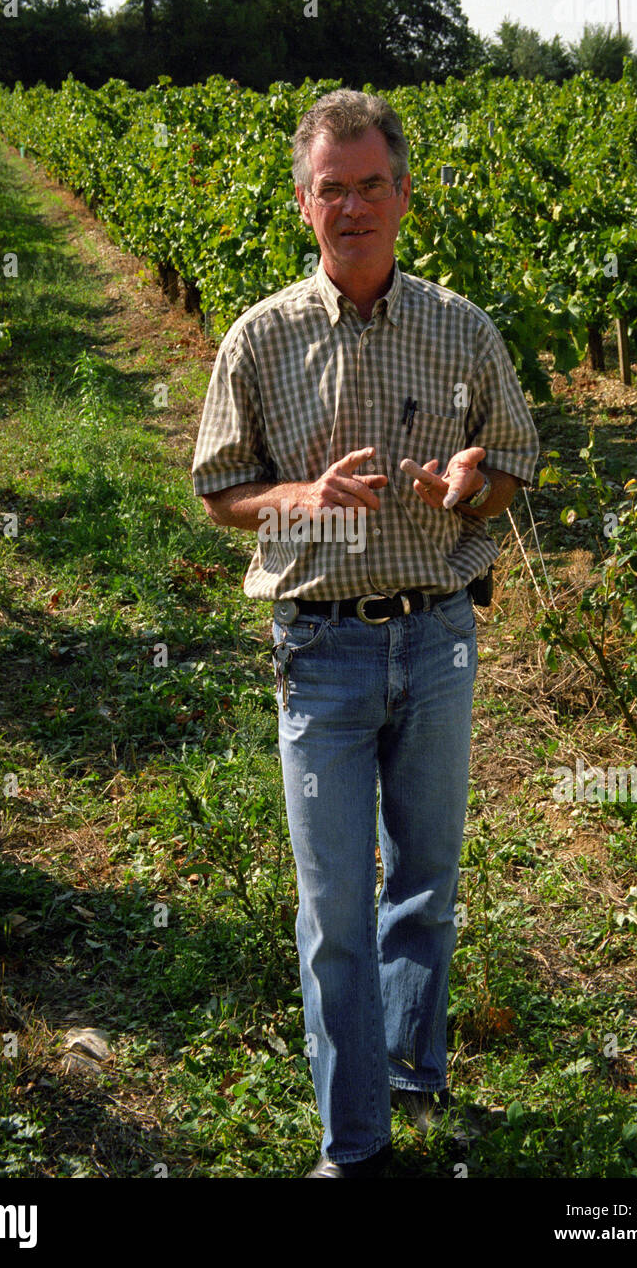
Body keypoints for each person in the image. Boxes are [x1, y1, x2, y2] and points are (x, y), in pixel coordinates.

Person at [192, 89, 539, 1178]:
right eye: (330, 188)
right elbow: (219, 489)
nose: (352, 205)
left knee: (426, 880)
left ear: (402, 194)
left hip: (435, 640)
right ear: (304, 203)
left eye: (370, 184)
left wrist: (475, 487)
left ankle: (407, 1071)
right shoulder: (261, 337)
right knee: (337, 906)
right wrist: (303, 497)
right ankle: (355, 1150)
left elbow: (513, 467)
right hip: (322, 653)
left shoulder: (461, 328)